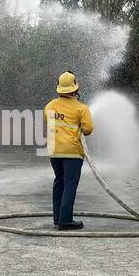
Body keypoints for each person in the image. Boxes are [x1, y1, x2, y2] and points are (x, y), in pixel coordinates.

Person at [44, 71, 95, 231]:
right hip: (72, 152)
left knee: (59, 180)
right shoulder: (81, 108)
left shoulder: (50, 105)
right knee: (70, 183)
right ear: (75, 89)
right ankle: (65, 220)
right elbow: (88, 129)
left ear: (59, 88)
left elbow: (49, 121)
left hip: (54, 151)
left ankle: (57, 217)